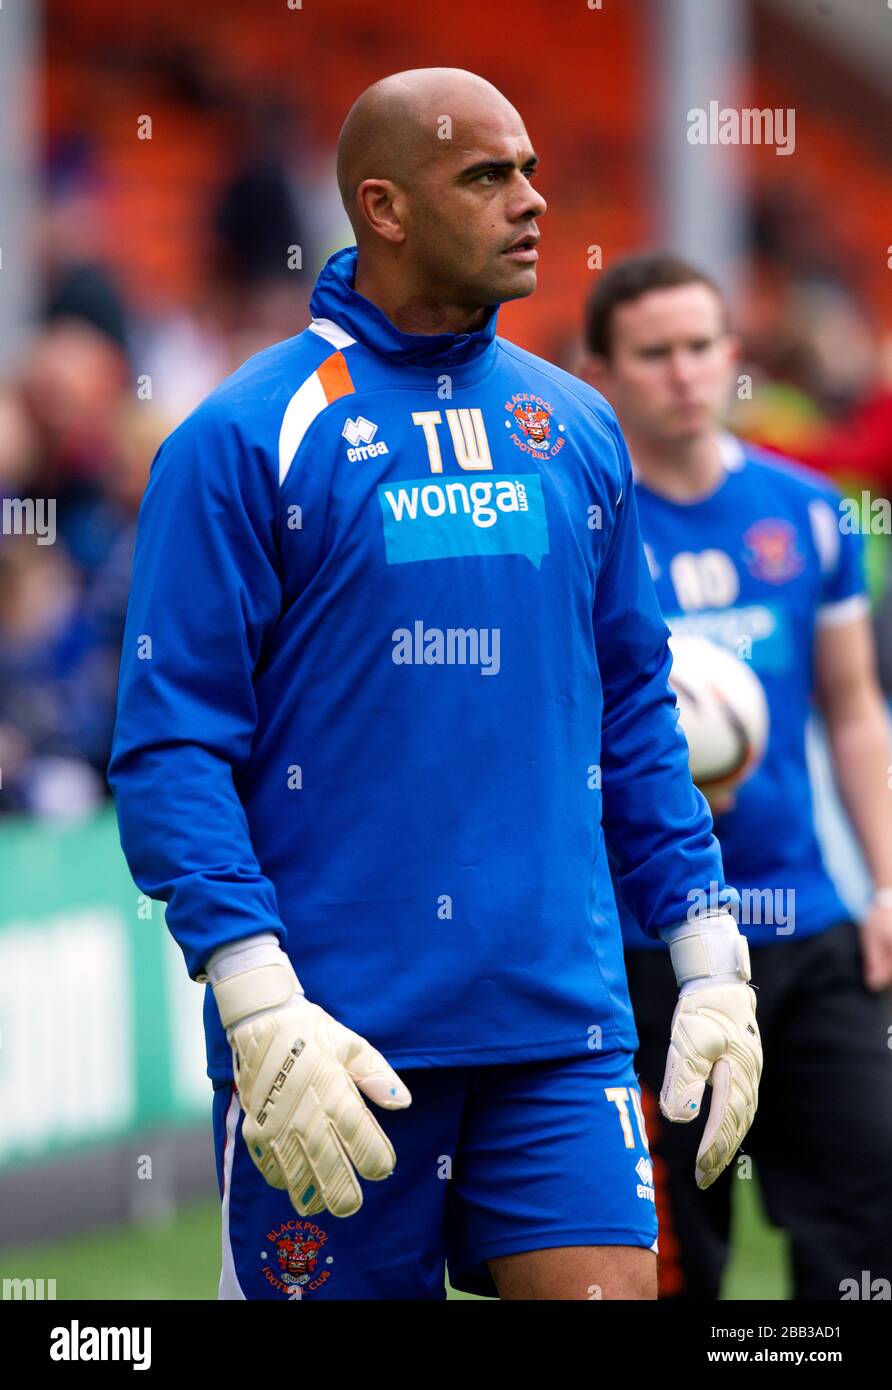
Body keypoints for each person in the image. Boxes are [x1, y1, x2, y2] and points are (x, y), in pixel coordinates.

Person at [108, 70, 760, 1302]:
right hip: (334, 1038)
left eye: (527, 167)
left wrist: (709, 946)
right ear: (384, 207)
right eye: (488, 176)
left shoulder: (576, 425)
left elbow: (633, 703)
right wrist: (255, 997)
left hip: (557, 1025)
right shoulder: (244, 438)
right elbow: (170, 748)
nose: (533, 199)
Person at [581, 251, 892, 1300]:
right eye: (652, 352)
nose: (682, 372)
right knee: (673, 1261)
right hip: (644, 949)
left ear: (732, 355)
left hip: (810, 932)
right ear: (604, 370)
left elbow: (852, 709)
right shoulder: (580, 526)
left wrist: (885, 885)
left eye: (700, 346)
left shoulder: (807, 513)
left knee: (865, 1233)